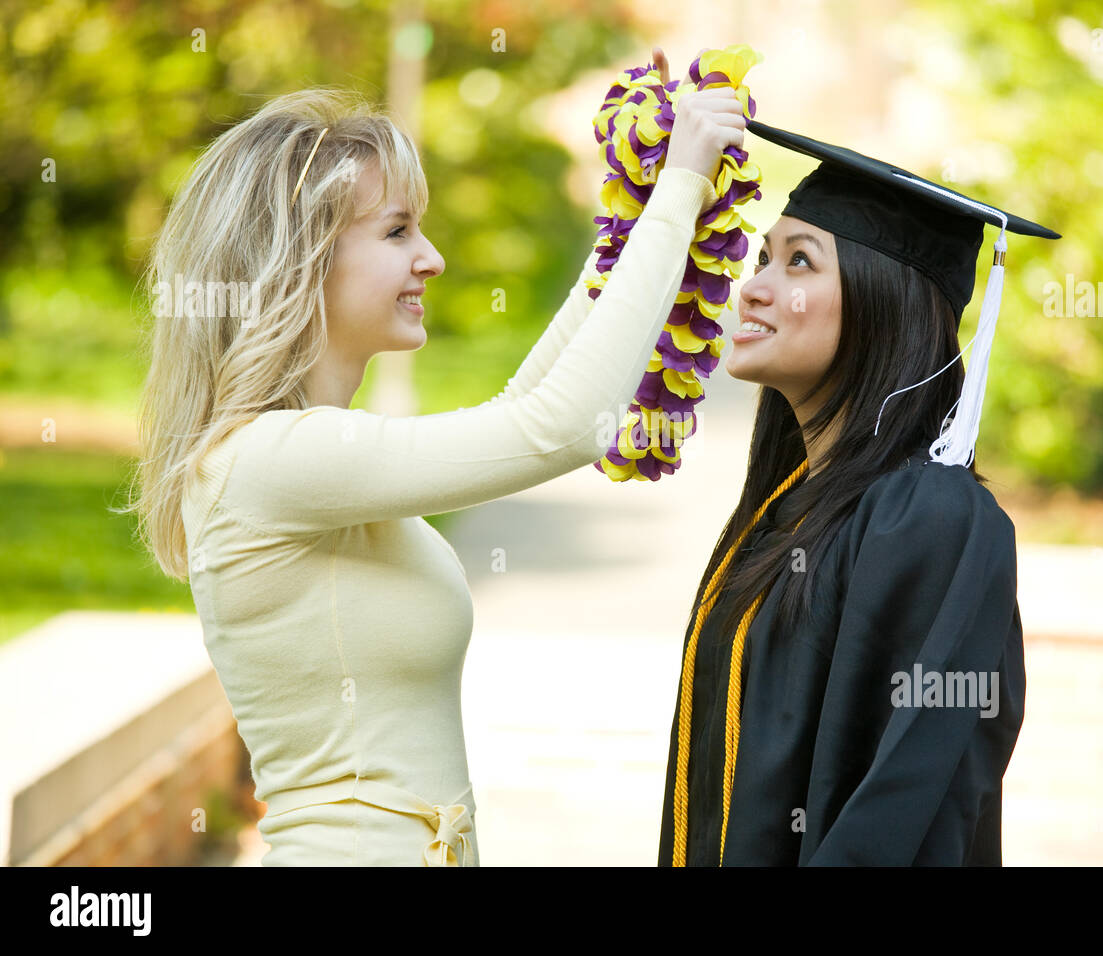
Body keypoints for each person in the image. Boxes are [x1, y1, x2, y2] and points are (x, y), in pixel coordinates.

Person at [120, 77, 745, 865]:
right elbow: (555, 427)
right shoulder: (266, 461)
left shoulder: (314, 457)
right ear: (301, 258)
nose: (433, 258)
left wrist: (635, 219)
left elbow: (526, 404)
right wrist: (683, 185)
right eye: (397, 232)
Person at [657, 119, 1061, 866]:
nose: (755, 289)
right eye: (763, 258)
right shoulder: (789, 508)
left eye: (799, 263)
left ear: (884, 302)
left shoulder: (931, 517)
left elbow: (900, 805)